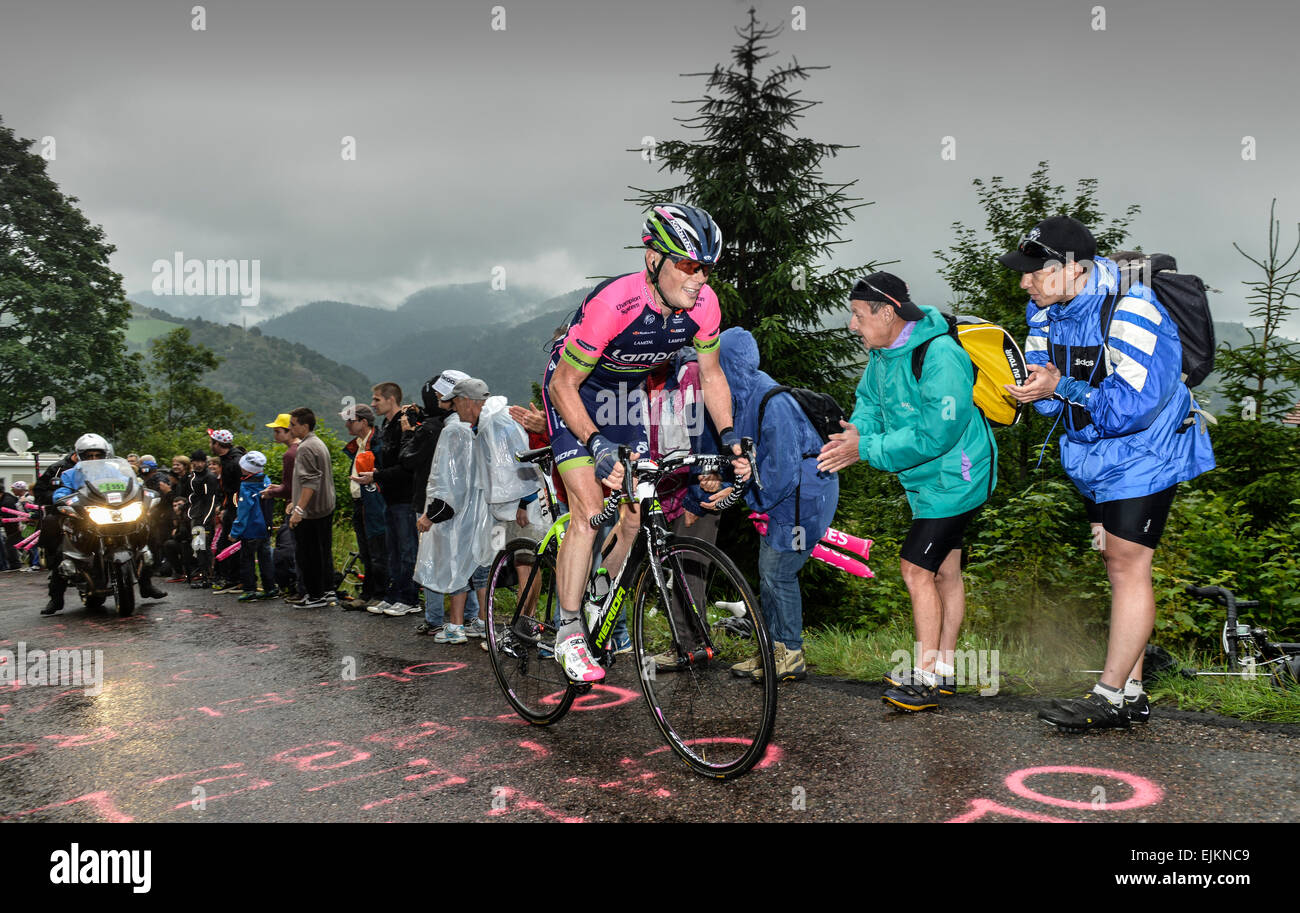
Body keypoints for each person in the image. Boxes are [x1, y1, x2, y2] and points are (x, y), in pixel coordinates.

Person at [996, 216, 1215, 731]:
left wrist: (1059, 388)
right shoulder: (1044, 314)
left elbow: (1132, 408)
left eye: (1034, 271)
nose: (1024, 281)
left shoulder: (1132, 308)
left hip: (1148, 450)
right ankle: (1133, 691)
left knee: (1127, 563)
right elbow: (1049, 404)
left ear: (1073, 269)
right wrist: (1036, 390)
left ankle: (1111, 695)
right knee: (1113, 563)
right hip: (1091, 457)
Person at [542, 203, 747, 683]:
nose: (699, 279)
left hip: (625, 395)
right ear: (654, 258)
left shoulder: (705, 305)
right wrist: (594, 444)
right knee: (591, 509)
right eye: (689, 265)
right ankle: (568, 631)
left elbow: (712, 376)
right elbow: (563, 386)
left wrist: (733, 438)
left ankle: (598, 595)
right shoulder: (615, 302)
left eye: (707, 268)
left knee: (634, 517)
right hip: (574, 390)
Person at [818, 272, 997, 712]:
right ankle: (945, 671)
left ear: (888, 312)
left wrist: (868, 448)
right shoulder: (882, 354)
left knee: (915, 568)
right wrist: (854, 436)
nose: (853, 326)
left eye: (859, 316)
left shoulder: (940, 355)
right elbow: (870, 404)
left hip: (958, 477)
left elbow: (939, 433)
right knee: (945, 572)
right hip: (925, 480)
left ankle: (924, 678)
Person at [701, 327, 840, 682]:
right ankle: (773, 651)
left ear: (729, 363)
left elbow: (782, 472)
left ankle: (790, 653)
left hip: (802, 502)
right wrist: (732, 481)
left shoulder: (772, 401)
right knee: (769, 572)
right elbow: (755, 460)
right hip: (784, 502)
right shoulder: (744, 396)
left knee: (779, 572)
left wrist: (739, 493)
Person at [48, 434, 168, 612]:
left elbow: (131, 485)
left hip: (117, 515)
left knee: (144, 536)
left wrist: (142, 492)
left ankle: (146, 584)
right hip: (87, 518)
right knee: (61, 551)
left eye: (98, 455)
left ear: (105, 455)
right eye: (89, 456)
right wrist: (62, 498)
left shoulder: (114, 471)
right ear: (80, 456)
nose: (94, 459)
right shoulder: (69, 474)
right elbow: (62, 491)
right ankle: (56, 599)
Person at [355, 383, 418, 616]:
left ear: (391, 399)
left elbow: (407, 466)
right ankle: (393, 595)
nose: (373, 404)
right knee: (392, 550)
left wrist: (376, 476)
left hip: (405, 497)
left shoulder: (405, 423)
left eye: (377, 400)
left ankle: (410, 598)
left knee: (407, 550)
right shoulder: (386, 425)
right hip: (388, 497)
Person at [286, 407, 337, 609]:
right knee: (321, 552)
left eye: (293, 424)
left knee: (309, 554)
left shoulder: (306, 447)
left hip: (312, 511)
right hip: (325, 507)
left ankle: (315, 596)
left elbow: (310, 482)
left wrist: (299, 510)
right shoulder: (318, 443)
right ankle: (325, 590)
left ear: (304, 426)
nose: (290, 428)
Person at [340, 403, 387, 611]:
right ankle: (368, 593)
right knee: (366, 551)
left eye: (351, 420)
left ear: (363, 422)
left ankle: (380, 594)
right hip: (360, 503)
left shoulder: (377, 443)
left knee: (377, 550)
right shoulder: (358, 444)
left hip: (374, 503)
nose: (347, 425)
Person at [231, 451, 279, 602]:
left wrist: (235, 532)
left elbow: (243, 512)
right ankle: (270, 587)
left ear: (246, 469)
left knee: (247, 559)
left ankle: (249, 589)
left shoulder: (246, 486)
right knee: (266, 559)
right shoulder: (266, 480)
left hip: (251, 530)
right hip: (265, 527)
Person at [207, 429, 247, 592]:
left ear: (218, 444)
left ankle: (238, 579)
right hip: (229, 508)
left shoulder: (234, 462)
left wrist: (233, 509)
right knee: (223, 544)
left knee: (232, 544)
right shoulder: (226, 459)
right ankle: (230, 578)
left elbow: (239, 488)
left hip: (236, 509)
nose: (210, 445)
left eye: (212, 442)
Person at [187, 449, 220, 588]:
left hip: (204, 517)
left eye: (201, 462)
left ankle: (209, 577)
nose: (198, 464)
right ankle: (203, 576)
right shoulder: (193, 476)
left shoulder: (209, 477)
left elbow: (211, 499)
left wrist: (207, 519)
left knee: (204, 548)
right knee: (198, 547)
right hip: (195, 515)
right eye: (196, 461)